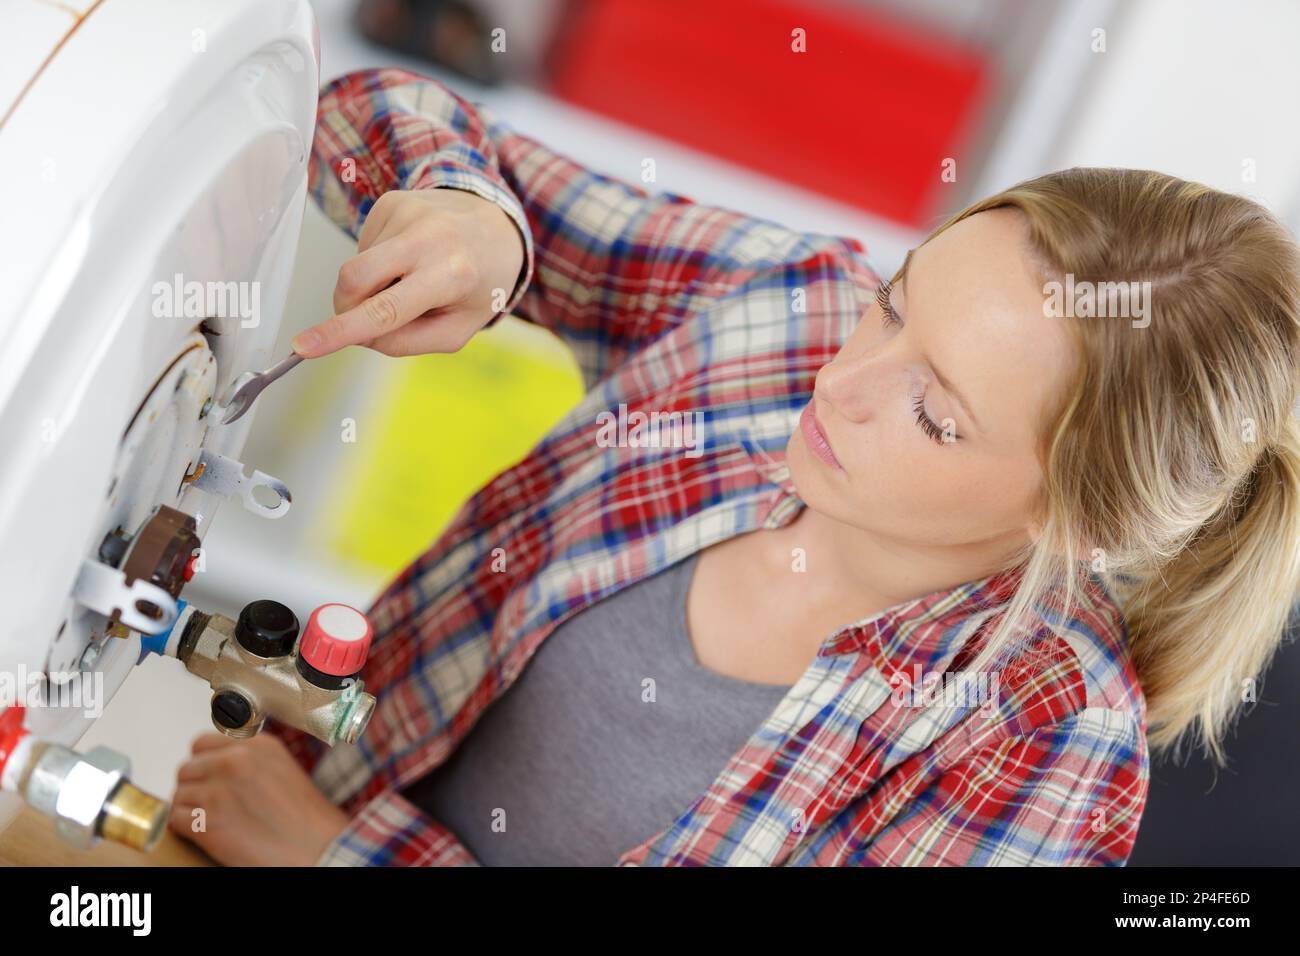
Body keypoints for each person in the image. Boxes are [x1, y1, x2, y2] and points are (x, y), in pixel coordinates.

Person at [168, 67, 1300, 866]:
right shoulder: (790, 311)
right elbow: (362, 109)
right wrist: (480, 222)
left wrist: (346, 855)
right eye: (893, 305)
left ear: (1083, 523)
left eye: (935, 414)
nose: (840, 384)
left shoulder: (1041, 738)